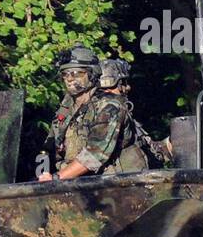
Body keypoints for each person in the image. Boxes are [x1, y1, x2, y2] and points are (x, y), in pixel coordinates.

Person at [39, 46, 146, 181]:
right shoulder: (67, 107)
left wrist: (56, 178)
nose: (70, 79)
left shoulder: (109, 106)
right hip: (78, 184)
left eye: (77, 73)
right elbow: (49, 148)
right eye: (65, 74)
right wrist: (41, 175)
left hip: (119, 185)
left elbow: (94, 155)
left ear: (92, 74)